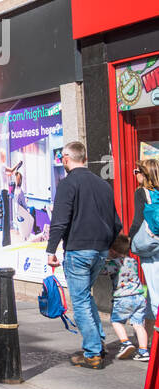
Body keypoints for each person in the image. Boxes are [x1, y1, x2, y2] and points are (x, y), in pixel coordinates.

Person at [45, 141, 123, 369]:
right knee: (85, 296)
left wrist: (51, 250)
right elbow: (116, 222)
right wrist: (107, 244)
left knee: (79, 301)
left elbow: (60, 221)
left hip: (78, 250)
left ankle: (92, 353)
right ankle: (98, 341)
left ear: (67, 159)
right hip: (99, 250)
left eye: (62, 159)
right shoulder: (103, 185)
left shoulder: (68, 184)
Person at [105, 233, 150, 362]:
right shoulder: (133, 261)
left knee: (116, 321)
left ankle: (125, 343)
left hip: (123, 297)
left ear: (112, 251)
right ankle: (143, 351)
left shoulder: (114, 263)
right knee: (138, 324)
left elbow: (103, 271)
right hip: (140, 297)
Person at [127, 157, 159, 319]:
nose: (135, 175)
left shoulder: (141, 192)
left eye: (136, 172)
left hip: (150, 245)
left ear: (144, 174)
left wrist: (128, 241)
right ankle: (148, 340)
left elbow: (138, 219)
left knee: (155, 293)